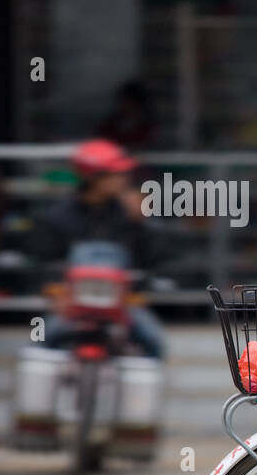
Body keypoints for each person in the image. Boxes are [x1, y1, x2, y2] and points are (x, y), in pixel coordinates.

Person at [28, 139, 164, 359]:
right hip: (70, 306)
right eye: (116, 174)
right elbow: (42, 265)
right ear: (93, 178)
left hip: (121, 306)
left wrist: (142, 223)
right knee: (39, 342)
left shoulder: (129, 216)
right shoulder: (57, 218)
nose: (124, 180)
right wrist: (56, 293)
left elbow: (150, 261)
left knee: (154, 341)